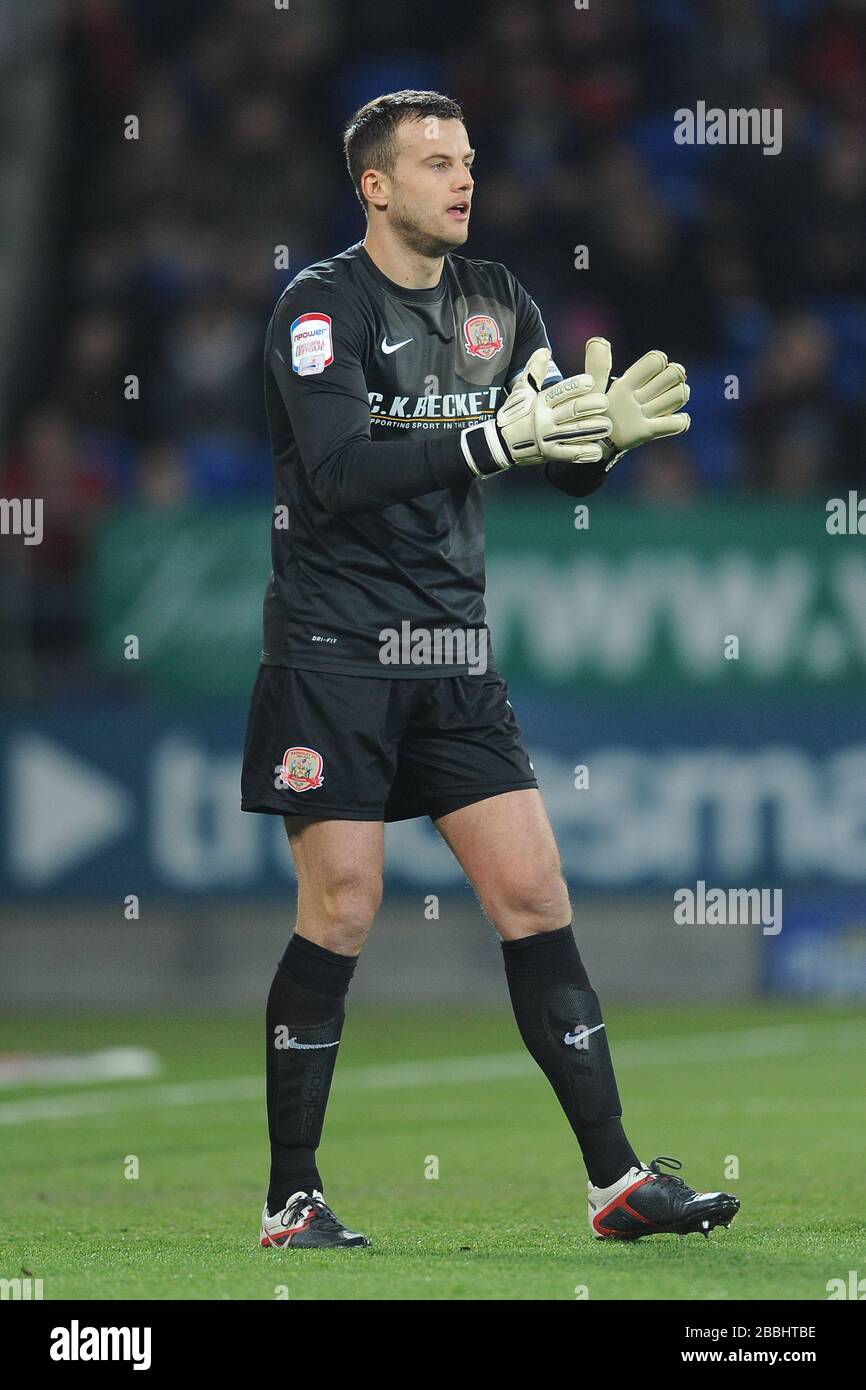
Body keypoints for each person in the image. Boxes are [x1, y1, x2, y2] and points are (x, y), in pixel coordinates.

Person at [241, 89, 737, 1248]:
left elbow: (549, 458)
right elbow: (332, 472)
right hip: (333, 651)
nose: (462, 180)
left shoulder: (497, 299)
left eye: (467, 161)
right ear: (374, 185)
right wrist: (490, 440)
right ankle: (290, 1198)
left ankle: (613, 1182)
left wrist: (597, 440)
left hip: (452, 650)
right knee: (345, 905)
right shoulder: (318, 308)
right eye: (433, 165)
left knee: (532, 894)